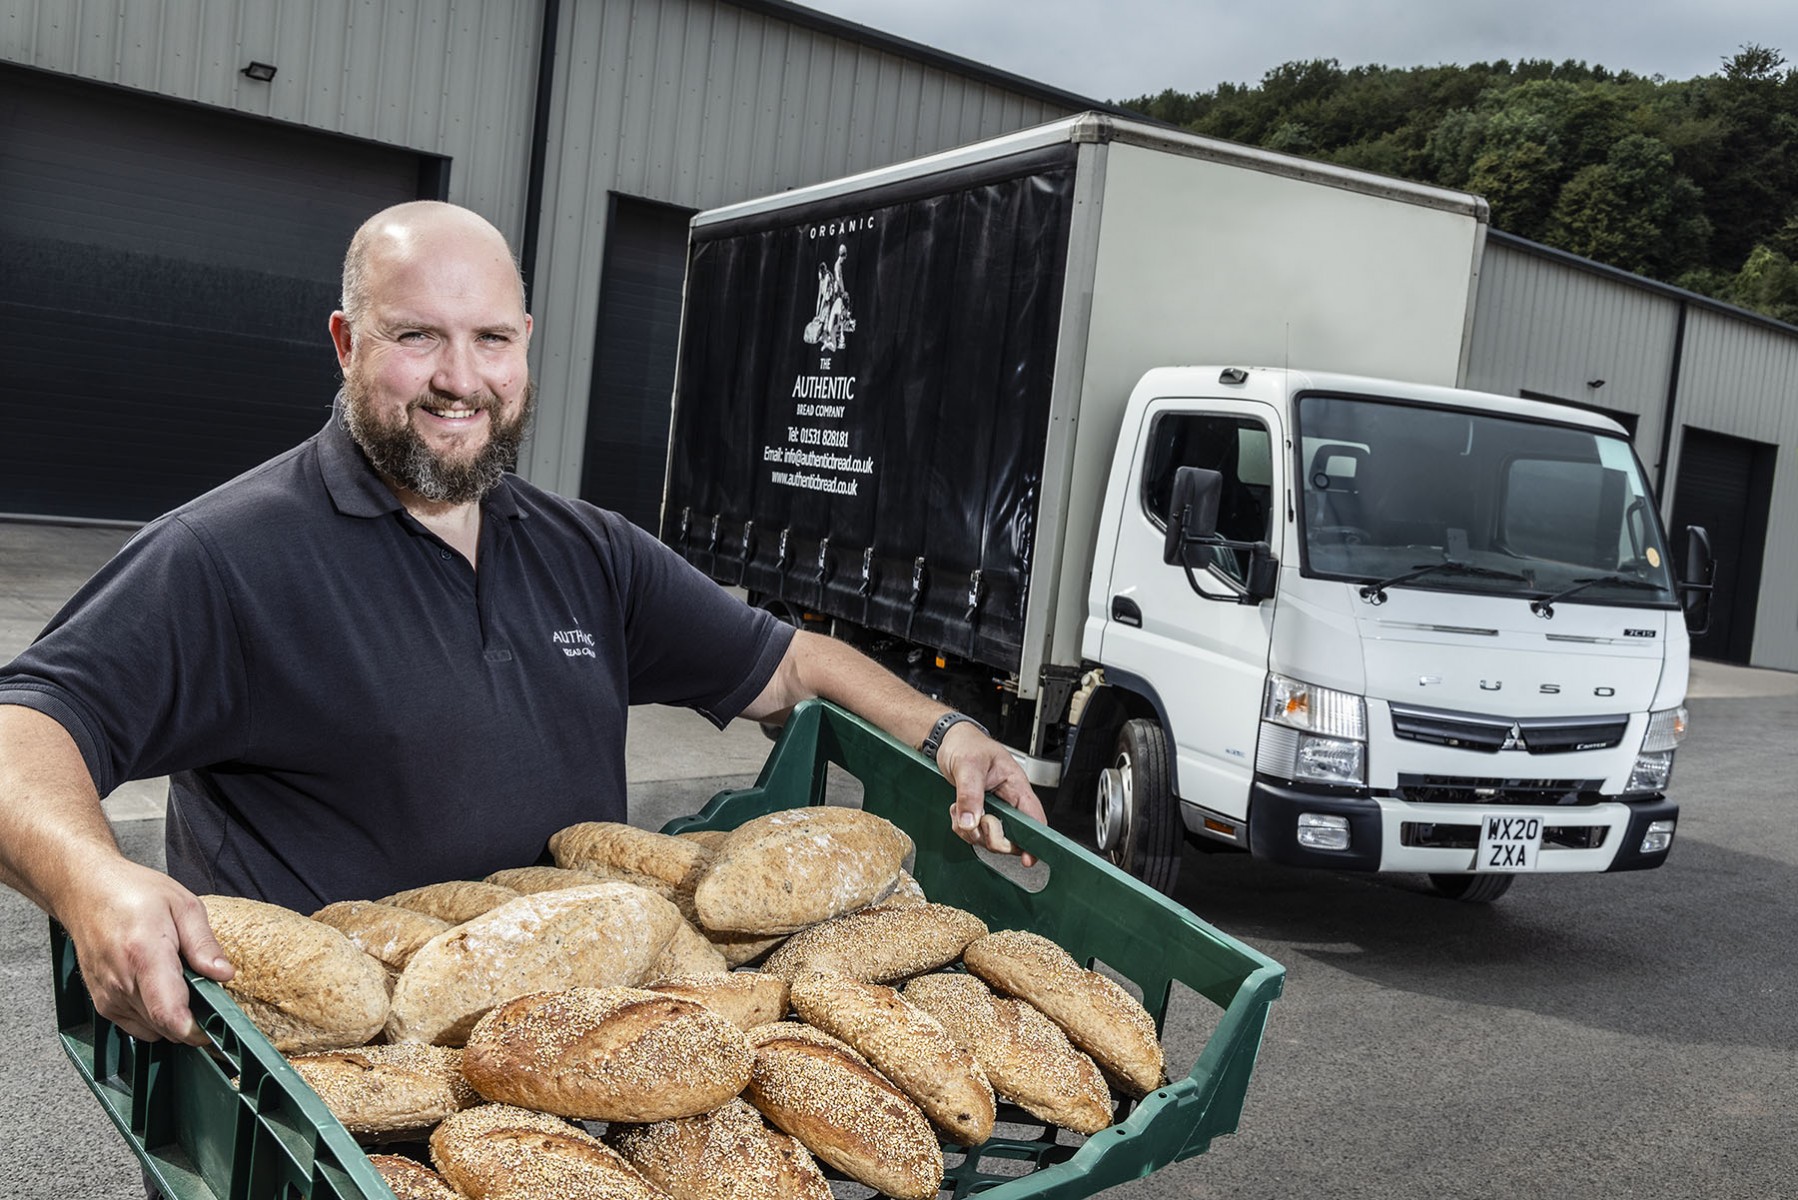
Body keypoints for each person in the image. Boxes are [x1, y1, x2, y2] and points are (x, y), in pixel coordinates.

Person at [0, 200, 1043, 1050]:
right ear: (347, 342)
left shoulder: (588, 550)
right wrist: (95, 882)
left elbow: (790, 666)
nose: (461, 380)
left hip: (567, 1056)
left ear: (525, 345)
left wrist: (947, 733)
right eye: (417, 336)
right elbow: (26, 725)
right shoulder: (227, 557)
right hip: (330, 1084)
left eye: (491, 339)